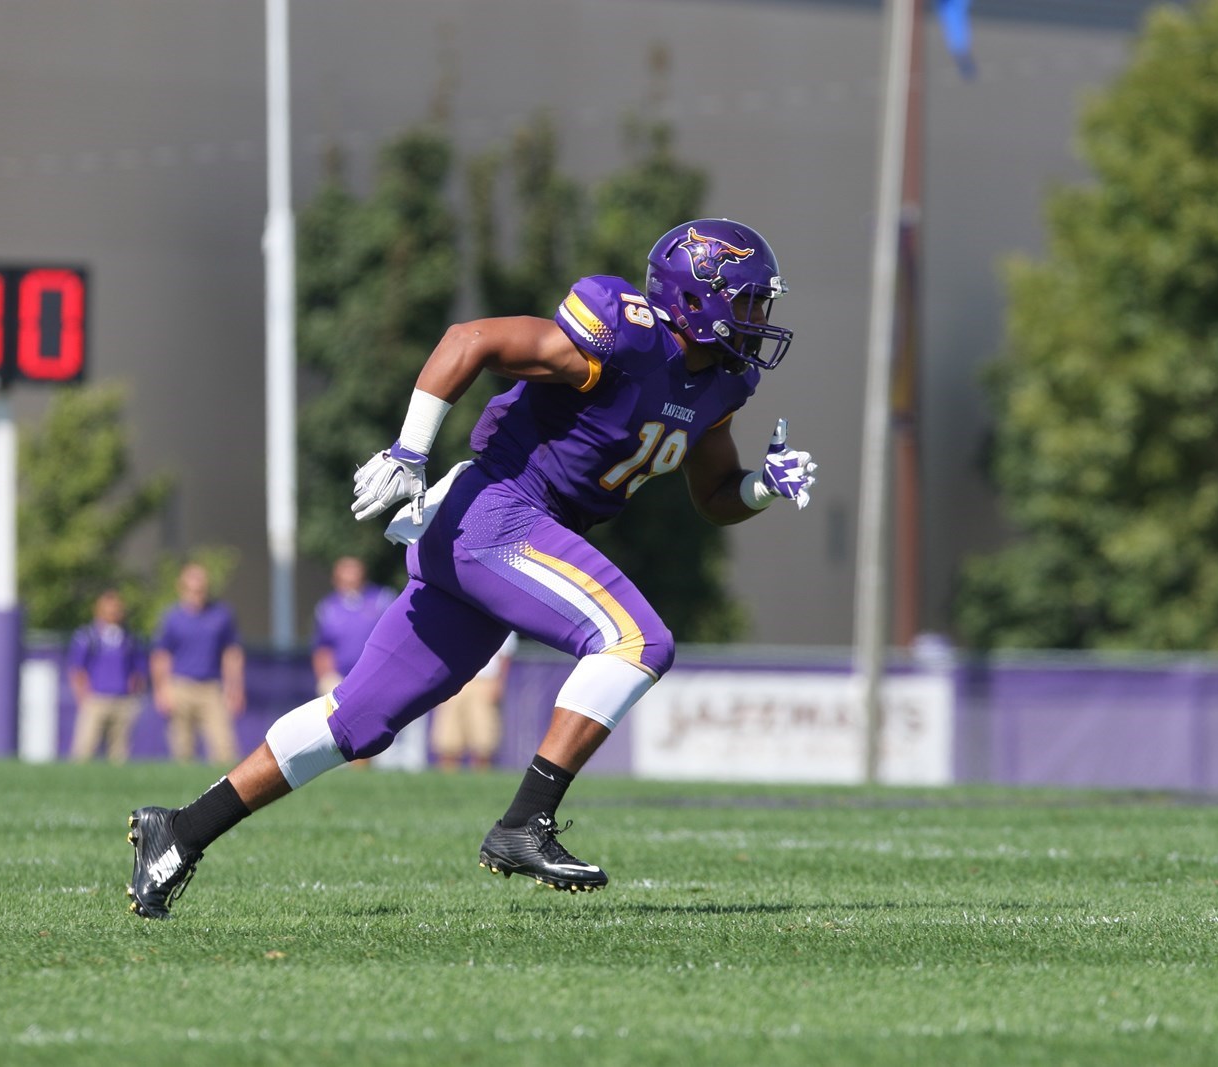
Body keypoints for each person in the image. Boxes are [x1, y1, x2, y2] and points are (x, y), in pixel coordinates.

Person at [126, 218, 817, 918]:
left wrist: (764, 487)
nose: (760, 319)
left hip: (501, 541)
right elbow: (471, 339)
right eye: (750, 300)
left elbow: (715, 496)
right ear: (697, 298)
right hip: (497, 515)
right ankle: (525, 822)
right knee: (640, 640)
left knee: (355, 722)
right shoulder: (623, 334)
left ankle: (178, 830)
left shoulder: (723, 386)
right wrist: (407, 452)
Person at [149, 562, 246, 765]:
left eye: (201, 590)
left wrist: (235, 688)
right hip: (180, 686)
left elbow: (232, 654)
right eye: (192, 590)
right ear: (182, 588)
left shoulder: (220, 615)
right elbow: (161, 655)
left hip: (211, 688)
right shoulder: (172, 618)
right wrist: (161, 689)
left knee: (225, 749)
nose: (197, 595)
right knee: (182, 750)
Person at [65, 588, 146, 763]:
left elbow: (138, 669)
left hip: (122, 700)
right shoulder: (88, 636)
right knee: (84, 750)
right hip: (96, 698)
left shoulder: (129, 637)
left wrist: (134, 694)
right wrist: (82, 696)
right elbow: (77, 669)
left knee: (119, 753)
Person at [431, 630, 517, 772]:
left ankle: (481, 780)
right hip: (453, 678)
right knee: (448, 742)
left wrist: (499, 681)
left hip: (484, 679)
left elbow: (506, 652)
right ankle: (447, 782)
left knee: (483, 743)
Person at [311, 556, 396, 698]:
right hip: (341, 678)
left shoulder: (382, 598)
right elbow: (322, 648)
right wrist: (326, 677)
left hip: (379, 675)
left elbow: (397, 636)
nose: (350, 575)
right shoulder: (328, 607)